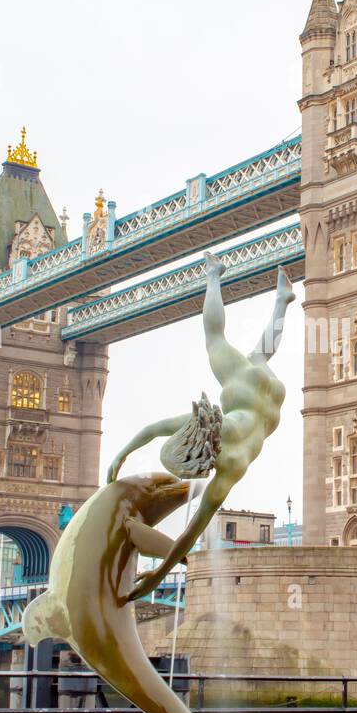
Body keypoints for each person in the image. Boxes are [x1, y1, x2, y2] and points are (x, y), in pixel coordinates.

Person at [107, 251, 295, 601]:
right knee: (219, 339)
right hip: (245, 390)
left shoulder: (229, 466)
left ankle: (279, 299)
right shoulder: (208, 426)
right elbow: (155, 428)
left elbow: (190, 534)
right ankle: (215, 274)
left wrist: (159, 574)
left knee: (255, 353)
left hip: (271, 405)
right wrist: (121, 455)